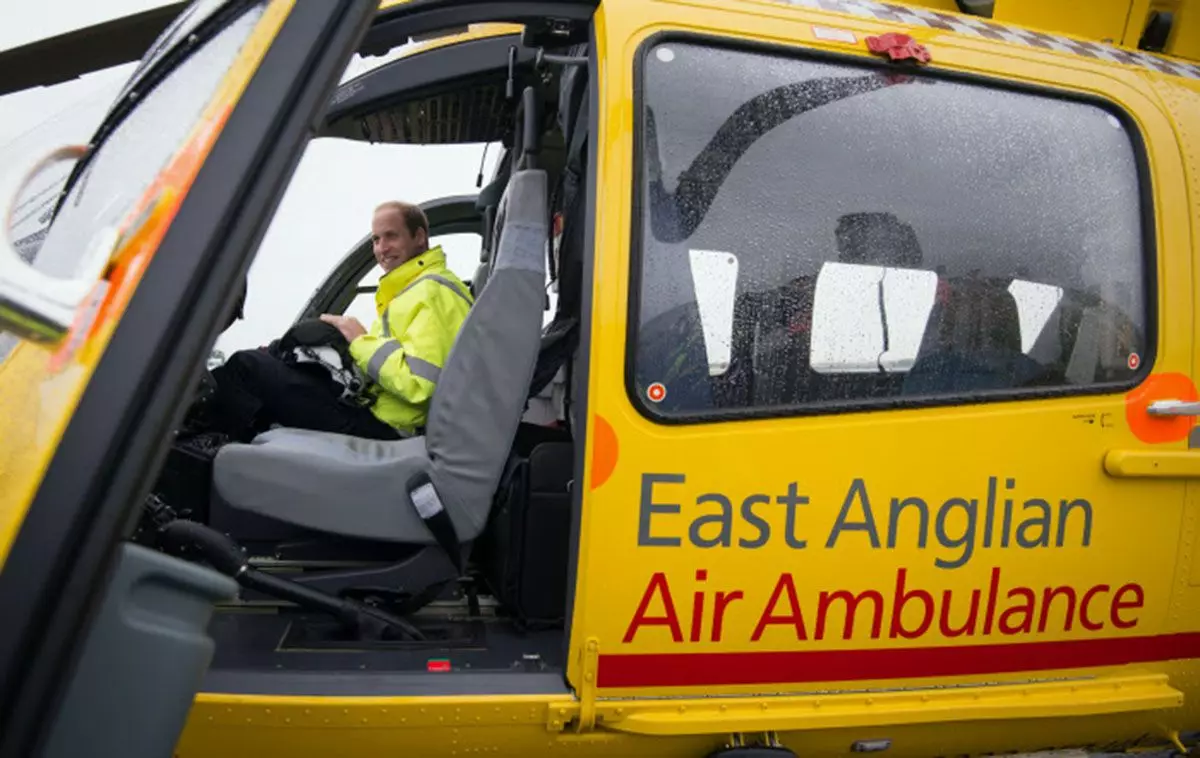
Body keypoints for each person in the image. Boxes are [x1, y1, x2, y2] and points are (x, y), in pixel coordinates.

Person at [188, 200, 473, 443]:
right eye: (376, 239)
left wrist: (360, 339)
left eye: (391, 236)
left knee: (245, 368)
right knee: (280, 354)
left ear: (419, 237)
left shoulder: (432, 291)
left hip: (385, 427)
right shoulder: (414, 290)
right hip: (375, 411)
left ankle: (201, 453)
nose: (382, 248)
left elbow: (420, 384)